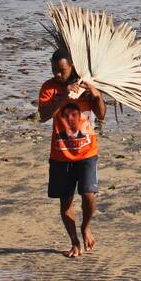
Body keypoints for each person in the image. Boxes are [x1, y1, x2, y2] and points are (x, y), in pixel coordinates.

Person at [38, 49, 106, 258]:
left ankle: (85, 226)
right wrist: (64, 97)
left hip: (87, 152)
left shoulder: (84, 87)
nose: (57, 74)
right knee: (65, 202)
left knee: (88, 195)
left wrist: (95, 94)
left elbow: (101, 115)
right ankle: (74, 241)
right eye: (54, 70)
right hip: (60, 156)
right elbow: (43, 115)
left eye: (62, 70)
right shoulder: (49, 88)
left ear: (73, 68)